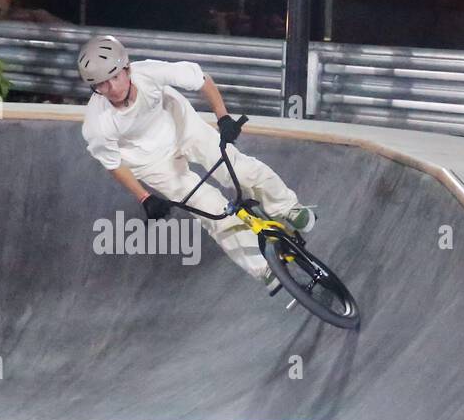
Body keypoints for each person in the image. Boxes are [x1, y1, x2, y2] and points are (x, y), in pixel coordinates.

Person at [78, 35, 316, 293]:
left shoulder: (150, 73)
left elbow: (202, 80)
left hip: (184, 128)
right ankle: (265, 268)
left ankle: (287, 207)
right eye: (101, 85)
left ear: (127, 68)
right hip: (151, 162)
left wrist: (223, 118)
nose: (112, 88)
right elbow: (112, 163)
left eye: (115, 77)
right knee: (214, 212)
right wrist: (145, 197)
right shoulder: (97, 123)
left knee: (239, 170)